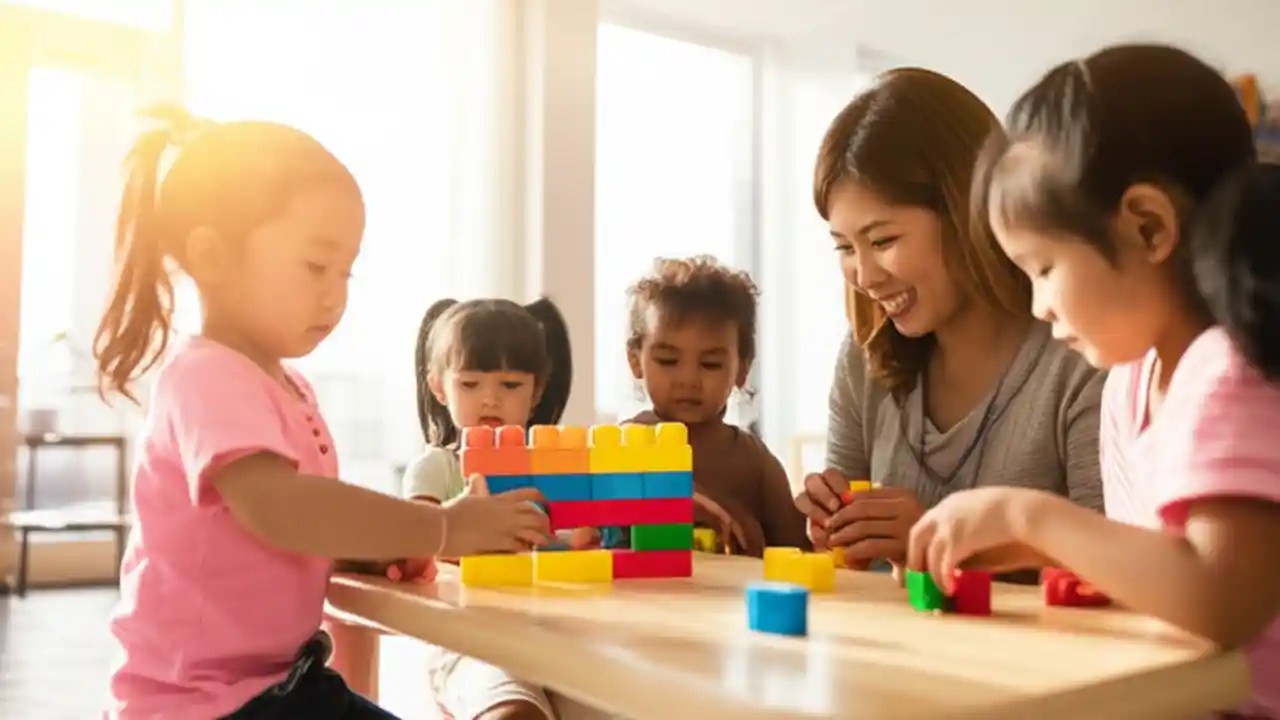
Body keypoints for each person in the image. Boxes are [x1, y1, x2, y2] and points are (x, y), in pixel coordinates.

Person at [96, 112, 550, 719]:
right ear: (212, 258)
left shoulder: (287, 387)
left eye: (346, 271)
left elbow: (270, 535)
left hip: (283, 686)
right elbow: (279, 506)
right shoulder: (207, 375)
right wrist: (441, 529)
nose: (336, 294)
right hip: (204, 706)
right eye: (316, 266)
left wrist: (357, 549)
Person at [907, 44, 1280, 718]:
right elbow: (1169, 569)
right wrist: (1038, 550)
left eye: (1043, 269)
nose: (1036, 305)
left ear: (1147, 227)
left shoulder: (1231, 372)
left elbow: (1223, 599)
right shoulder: (1128, 385)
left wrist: (1031, 515)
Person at [792, 68, 1105, 570]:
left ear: (968, 211)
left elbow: (1116, 576)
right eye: (844, 247)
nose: (865, 276)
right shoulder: (862, 360)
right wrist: (838, 530)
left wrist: (935, 542)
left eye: (883, 241)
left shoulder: (1079, 359)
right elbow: (849, 572)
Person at [401, 296, 579, 720]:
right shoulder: (438, 466)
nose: (490, 400)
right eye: (471, 384)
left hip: (553, 631)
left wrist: (579, 542)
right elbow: (414, 545)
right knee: (514, 712)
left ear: (536, 391)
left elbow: (566, 546)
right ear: (439, 387)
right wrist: (464, 532)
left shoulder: (549, 471)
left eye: (510, 386)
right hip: (468, 639)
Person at [624, 256, 809, 556]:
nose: (688, 379)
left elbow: (798, 555)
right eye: (668, 361)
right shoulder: (623, 446)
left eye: (710, 364)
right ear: (635, 360)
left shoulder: (756, 463)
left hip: (734, 600)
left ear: (742, 370)